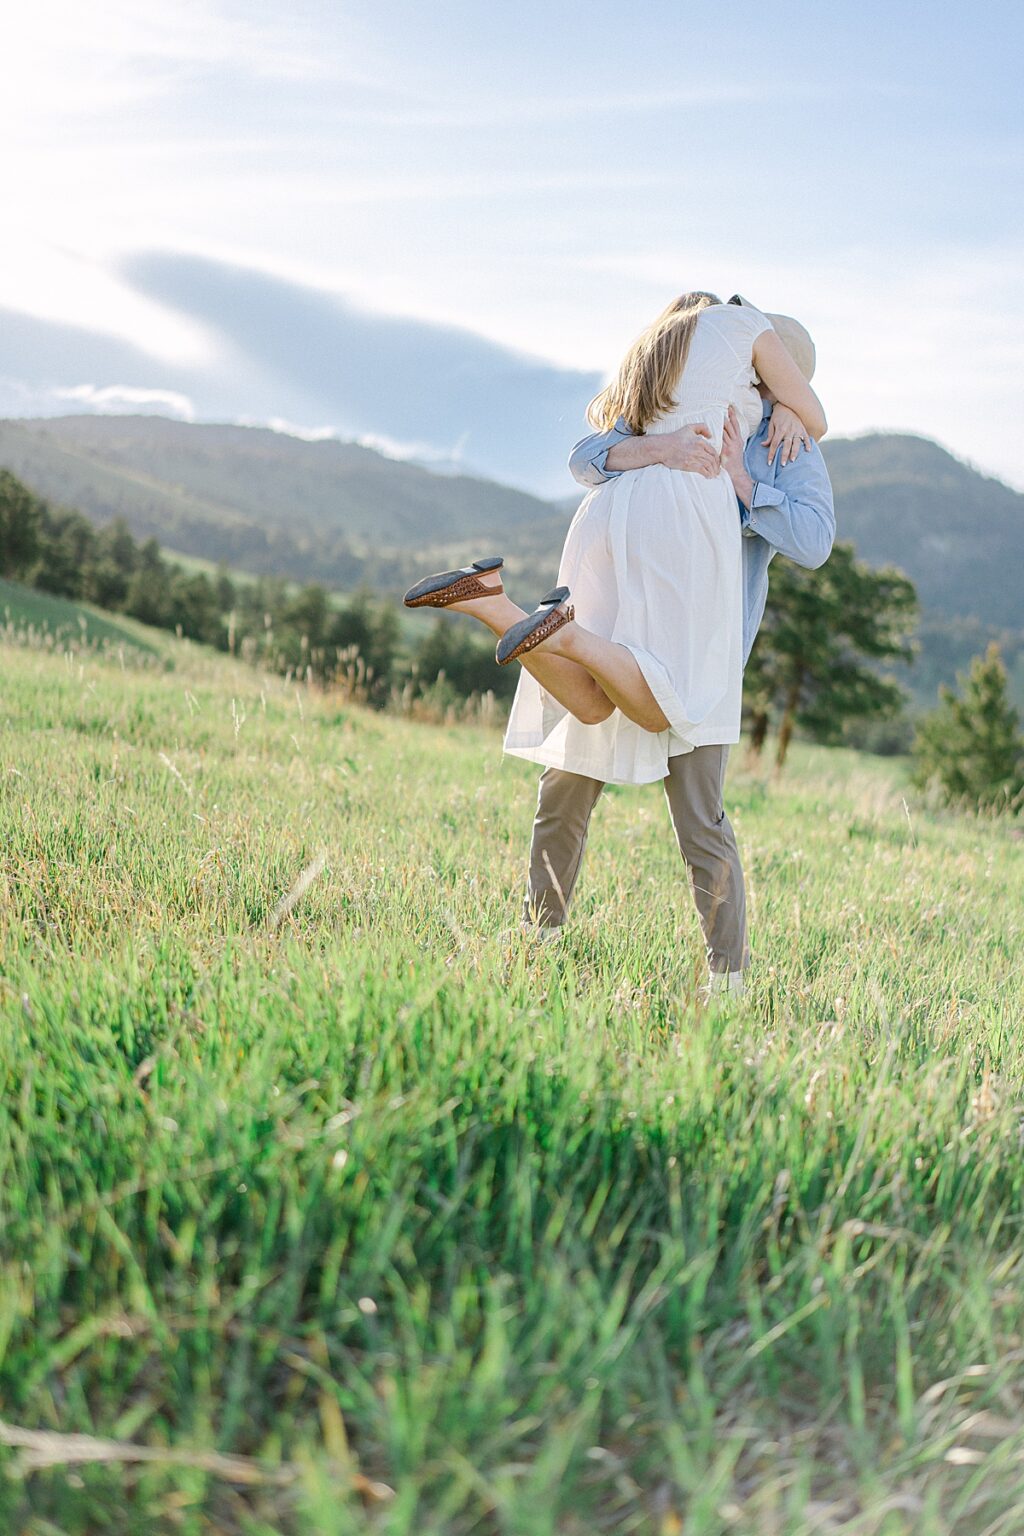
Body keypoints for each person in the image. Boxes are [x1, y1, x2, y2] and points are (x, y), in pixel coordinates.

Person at [404, 293, 832, 995]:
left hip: (703, 643)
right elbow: (587, 454)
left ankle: (726, 981)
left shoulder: (789, 444)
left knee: (700, 818)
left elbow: (813, 540)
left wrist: (744, 483)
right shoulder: (683, 399)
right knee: (567, 782)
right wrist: (659, 448)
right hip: (631, 611)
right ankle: (537, 943)